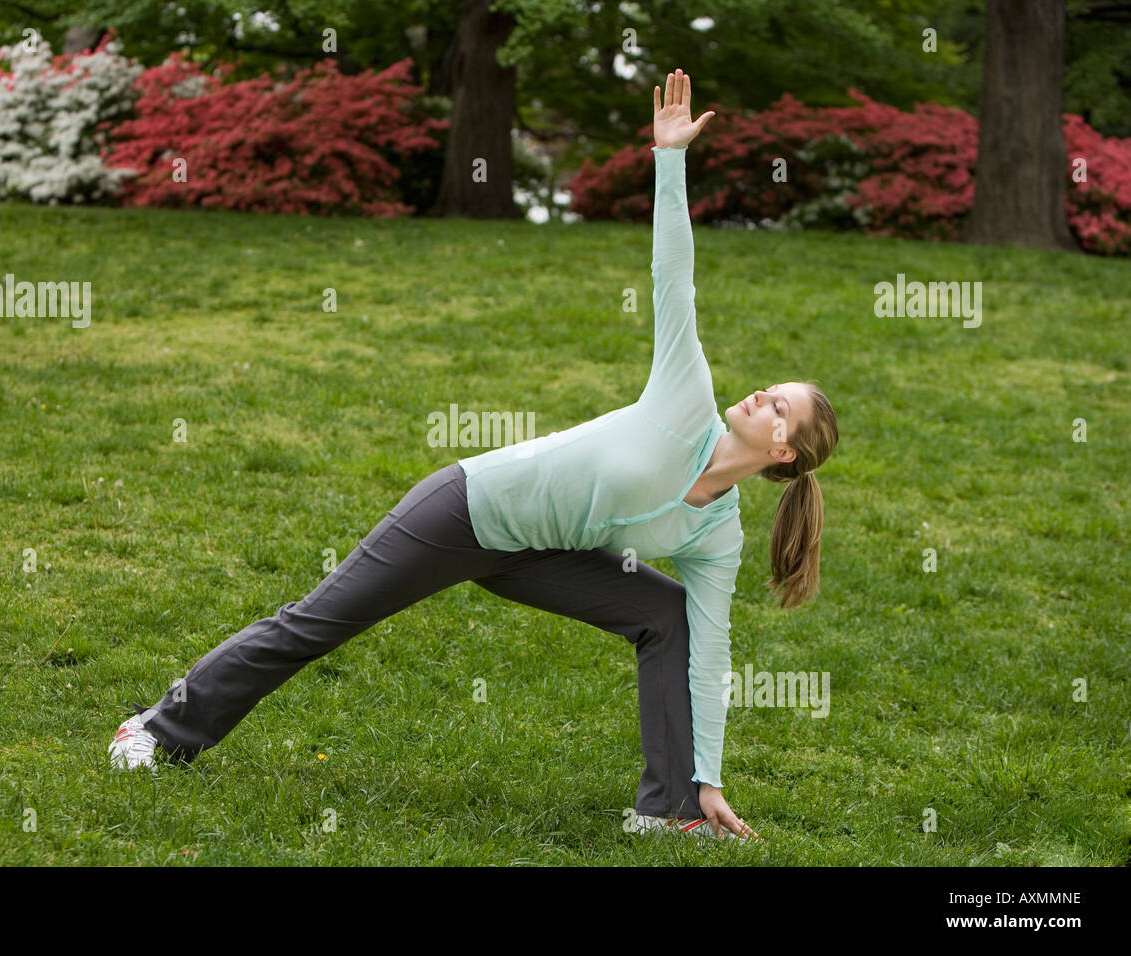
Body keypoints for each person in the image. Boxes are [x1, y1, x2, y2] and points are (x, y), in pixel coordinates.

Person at [108, 68, 838, 843]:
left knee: (668, 615)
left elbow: (709, 654)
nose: (762, 395)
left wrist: (710, 777)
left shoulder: (716, 535)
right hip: (467, 509)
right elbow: (674, 278)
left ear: (783, 451)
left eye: (778, 405)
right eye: (771, 388)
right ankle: (153, 731)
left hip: (538, 552)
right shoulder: (685, 396)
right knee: (317, 622)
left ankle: (670, 812)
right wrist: (669, 160)